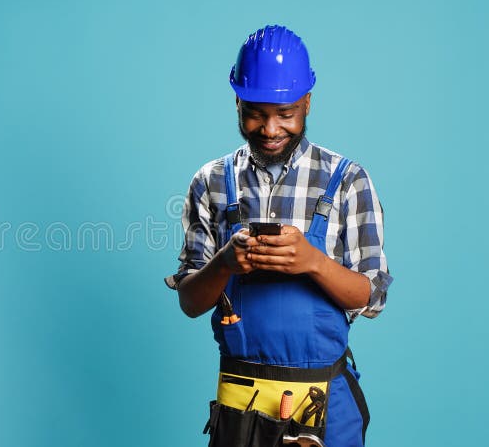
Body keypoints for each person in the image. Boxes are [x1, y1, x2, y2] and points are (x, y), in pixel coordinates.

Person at [165, 25, 392, 447]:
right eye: (255, 113)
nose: (270, 129)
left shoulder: (348, 181)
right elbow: (190, 302)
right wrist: (224, 263)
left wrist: (313, 263)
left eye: (285, 114)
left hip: (323, 404)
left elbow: (372, 298)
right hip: (241, 406)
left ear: (307, 102)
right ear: (237, 103)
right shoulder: (211, 182)